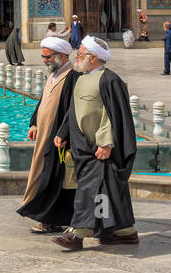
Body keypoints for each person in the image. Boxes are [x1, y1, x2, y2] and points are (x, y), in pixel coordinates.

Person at [52, 35, 138, 251]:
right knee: (107, 191)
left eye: (81, 54)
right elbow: (74, 110)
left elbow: (114, 115)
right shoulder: (80, 78)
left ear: (94, 58)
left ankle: (77, 233)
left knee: (89, 190)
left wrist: (107, 143)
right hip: (84, 146)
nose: (77, 57)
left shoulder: (109, 80)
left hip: (100, 147)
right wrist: (63, 133)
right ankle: (123, 232)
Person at [17, 37, 77, 234]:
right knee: (43, 174)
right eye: (43, 56)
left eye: (47, 57)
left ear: (60, 56)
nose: (44, 60)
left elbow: (71, 110)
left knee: (52, 177)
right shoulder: (53, 74)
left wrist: (63, 133)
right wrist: (34, 122)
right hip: (45, 134)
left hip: (57, 138)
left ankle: (48, 218)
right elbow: (43, 101)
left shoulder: (71, 77)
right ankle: (45, 215)